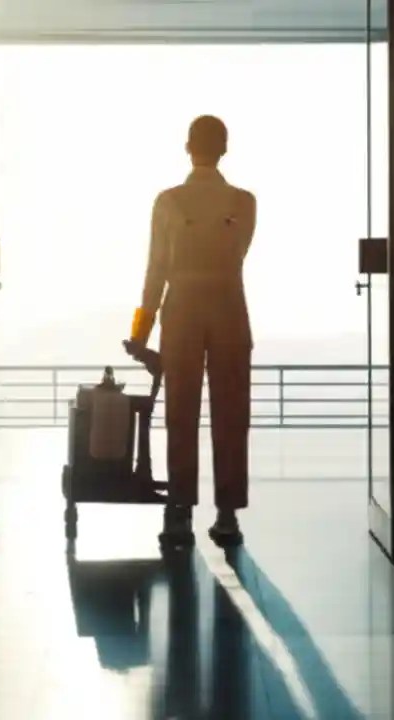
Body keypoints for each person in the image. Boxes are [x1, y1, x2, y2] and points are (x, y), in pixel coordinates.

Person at [131, 115, 257, 547]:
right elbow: (237, 253)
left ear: (188, 147)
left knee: (180, 412)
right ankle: (227, 514)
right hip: (229, 307)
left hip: (181, 309)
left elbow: (155, 269)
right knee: (231, 412)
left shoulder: (168, 201)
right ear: (224, 148)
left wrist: (140, 331)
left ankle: (179, 511)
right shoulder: (245, 202)